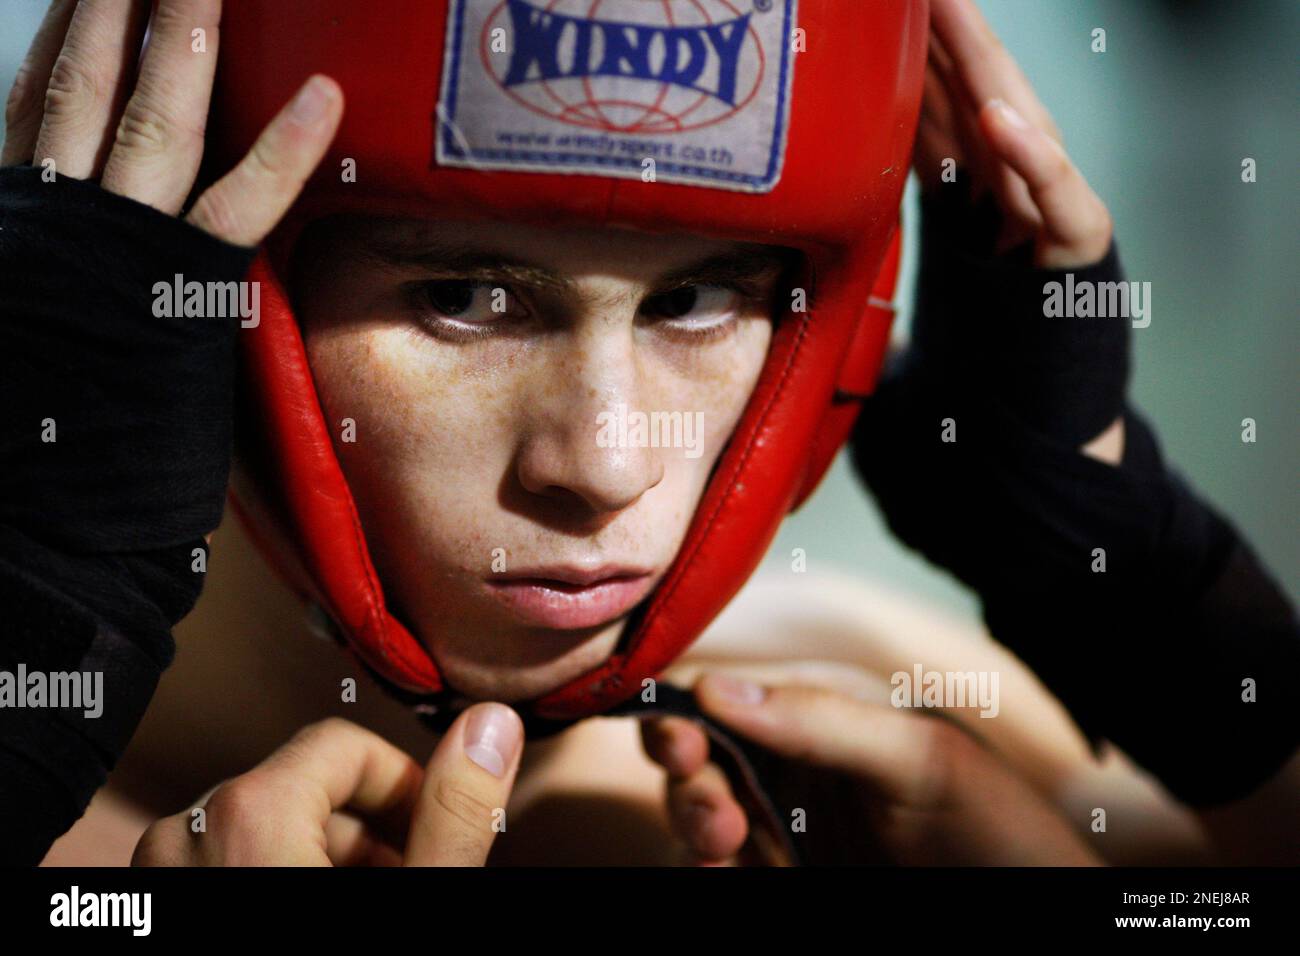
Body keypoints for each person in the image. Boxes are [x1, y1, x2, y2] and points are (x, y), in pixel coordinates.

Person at [4, 0, 1295, 867]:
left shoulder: (889, 721)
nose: (606, 465)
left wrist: (1142, 587)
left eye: (697, 299)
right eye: (461, 298)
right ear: (201, 291)